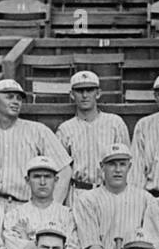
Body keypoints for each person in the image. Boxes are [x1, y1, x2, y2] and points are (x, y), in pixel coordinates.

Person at [0, 78, 71, 210]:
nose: (15, 102)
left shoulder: (38, 131)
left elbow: (64, 170)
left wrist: (52, 207)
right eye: (9, 97)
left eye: (19, 98)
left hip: (25, 206)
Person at [75, 143, 159, 249]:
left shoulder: (145, 198)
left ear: (129, 167)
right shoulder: (87, 200)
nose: (118, 170)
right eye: (112, 164)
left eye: (122, 164)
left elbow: (152, 243)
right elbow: (91, 247)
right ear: (102, 167)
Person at [55, 70, 130, 203]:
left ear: (98, 93)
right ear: (72, 95)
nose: (85, 95)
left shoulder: (115, 123)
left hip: (109, 193)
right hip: (78, 192)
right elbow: (60, 171)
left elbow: (127, 164)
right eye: (80, 91)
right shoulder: (65, 129)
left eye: (89, 90)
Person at [1, 156, 82, 249]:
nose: (42, 182)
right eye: (37, 177)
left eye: (47, 177)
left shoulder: (67, 215)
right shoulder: (14, 215)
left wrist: (29, 241)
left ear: (56, 180)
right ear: (27, 180)